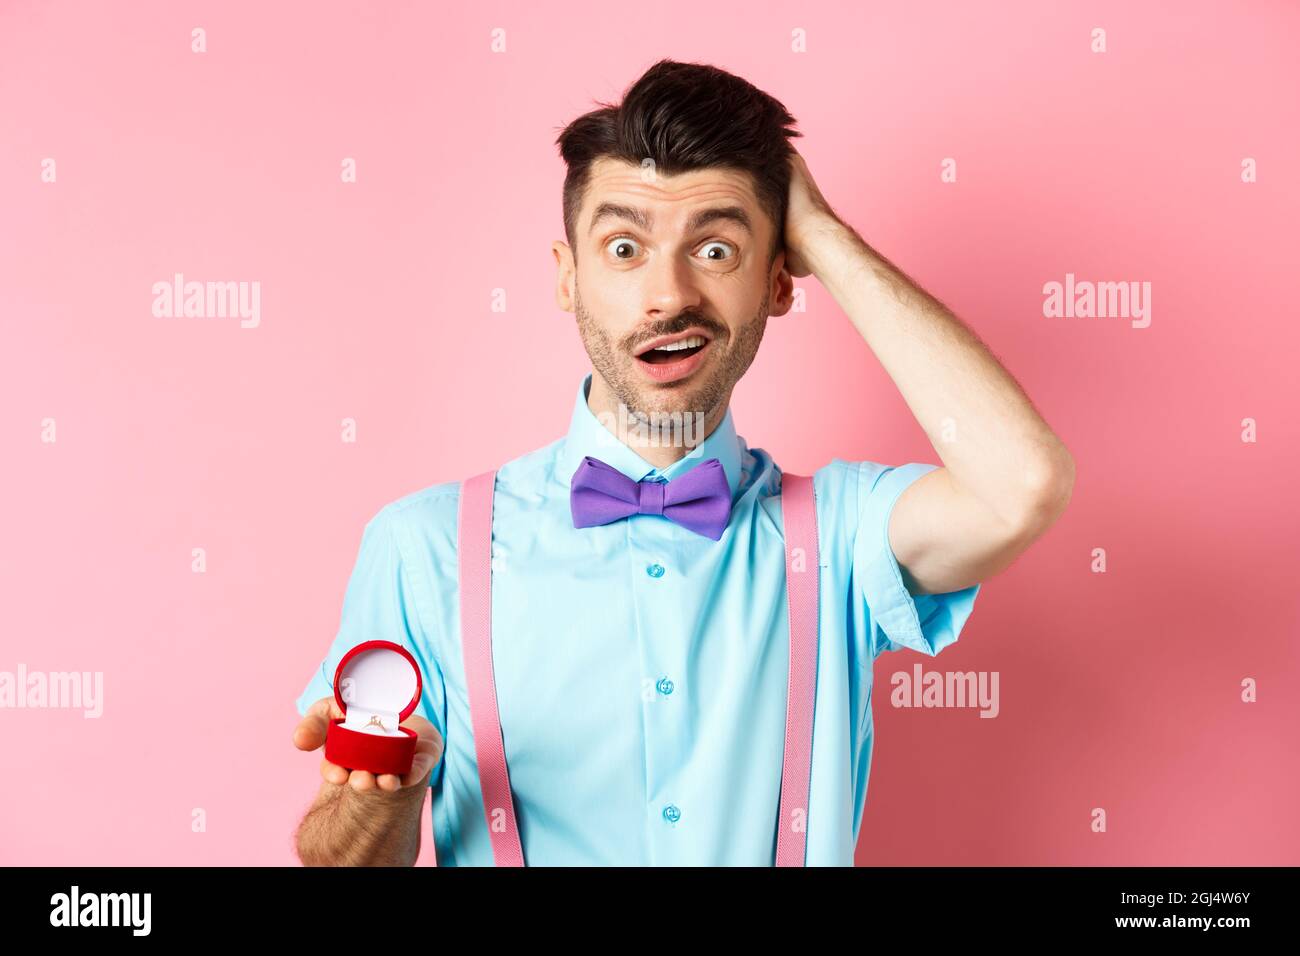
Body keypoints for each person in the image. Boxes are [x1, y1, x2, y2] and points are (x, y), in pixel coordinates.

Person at [290, 58, 1074, 866]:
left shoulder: (843, 535)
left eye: (716, 251)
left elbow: (1022, 485)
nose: (668, 295)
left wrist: (827, 239)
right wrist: (385, 795)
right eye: (625, 247)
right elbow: (340, 860)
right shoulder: (424, 549)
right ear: (568, 278)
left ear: (779, 282)